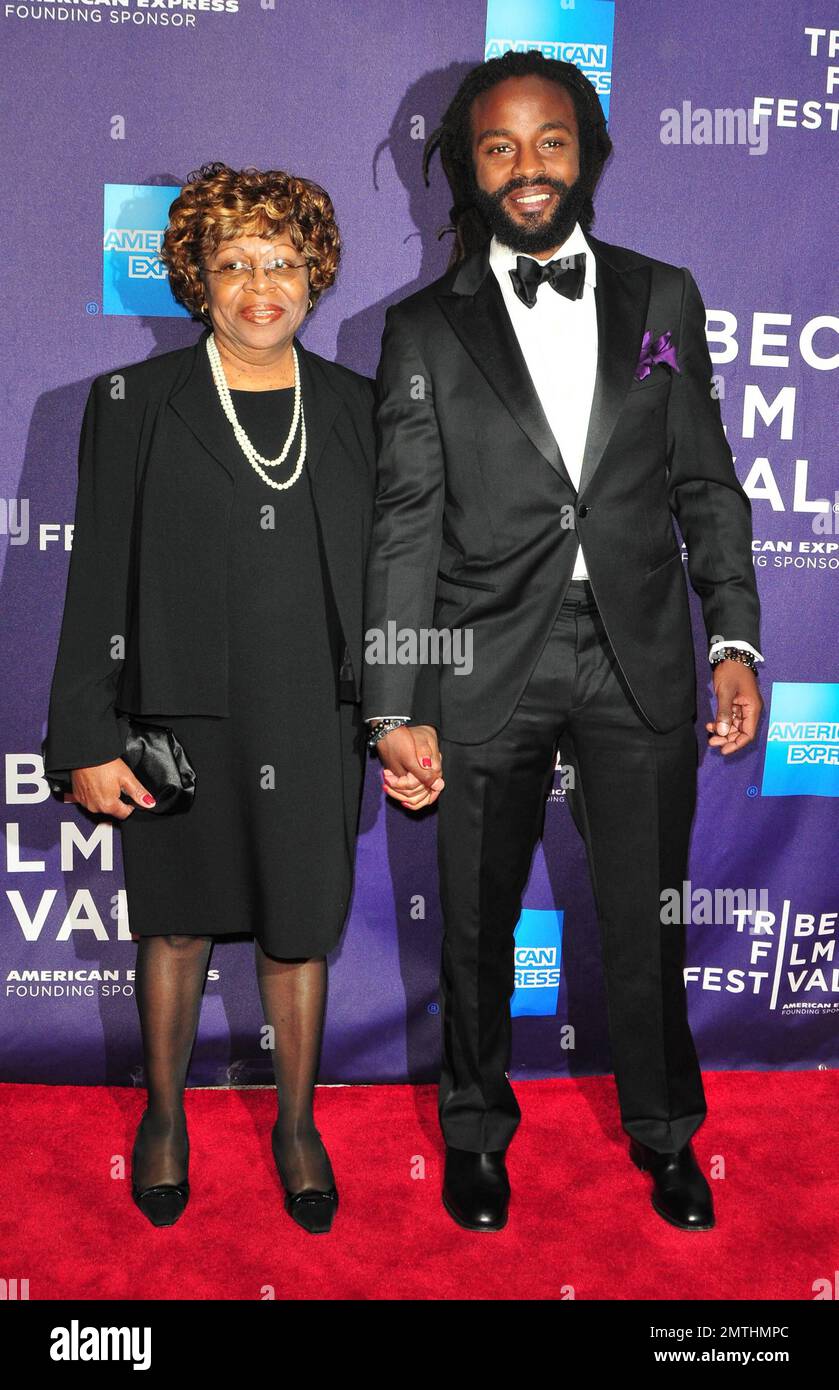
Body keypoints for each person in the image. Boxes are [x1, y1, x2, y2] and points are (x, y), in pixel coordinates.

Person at [363, 53, 763, 1233]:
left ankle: (664, 1132)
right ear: (462, 169)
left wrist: (730, 634)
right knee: (475, 928)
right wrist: (394, 706)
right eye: (498, 146)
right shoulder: (420, 331)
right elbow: (401, 530)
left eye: (548, 141)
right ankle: (477, 1134)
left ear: (583, 152)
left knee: (645, 917)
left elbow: (706, 480)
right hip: (480, 661)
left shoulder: (662, 298)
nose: (526, 167)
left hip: (637, 653)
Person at [42, 161, 375, 1233]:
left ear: (314, 273)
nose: (259, 284)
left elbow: (397, 573)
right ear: (196, 276)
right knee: (177, 928)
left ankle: (294, 1122)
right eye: (233, 262)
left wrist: (401, 715)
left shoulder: (359, 408)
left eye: (281, 260)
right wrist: (88, 731)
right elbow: (95, 574)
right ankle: (165, 1116)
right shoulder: (132, 404)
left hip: (312, 715)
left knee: (296, 933)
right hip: (176, 717)